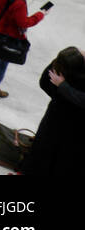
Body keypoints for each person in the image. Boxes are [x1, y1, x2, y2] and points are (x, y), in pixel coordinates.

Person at [25, 47, 85, 176]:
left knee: (41, 154)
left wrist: (60, 60)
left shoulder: (60, 72)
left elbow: (44, 83)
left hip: (52, 122)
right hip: (76, 133)